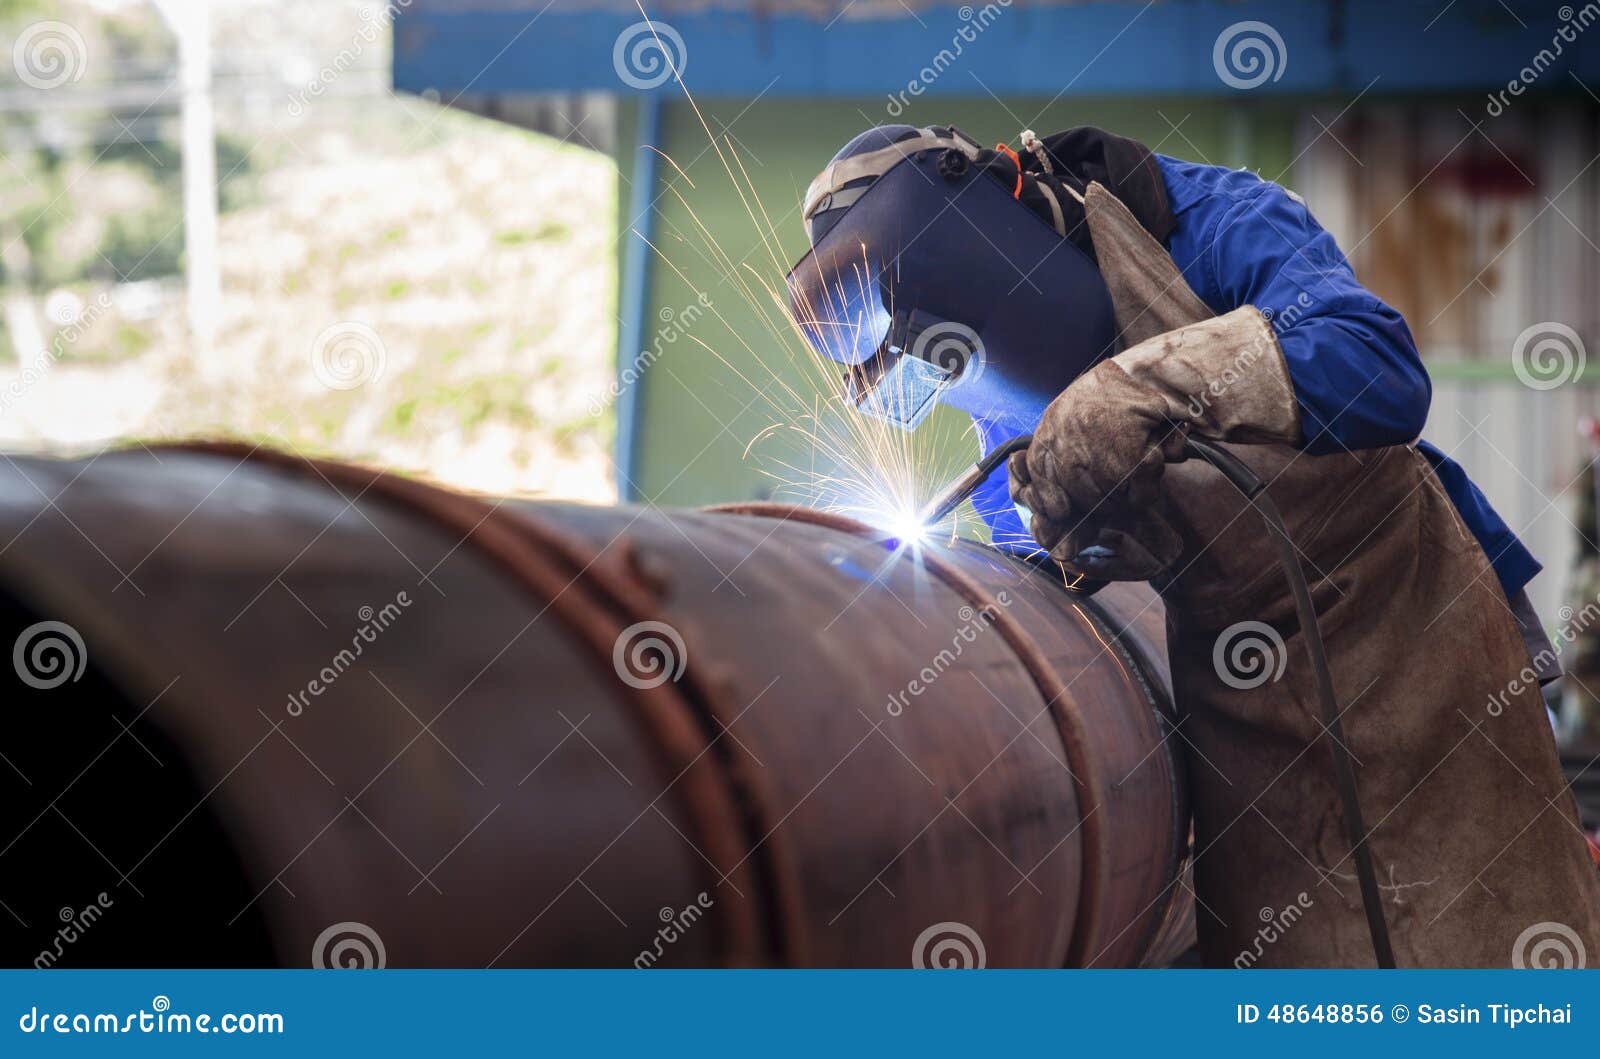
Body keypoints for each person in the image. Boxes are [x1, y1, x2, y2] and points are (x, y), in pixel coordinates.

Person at [788, 123, 1600, 967]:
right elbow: (1047, 574)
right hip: (1245, 710)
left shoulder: (1206, 218)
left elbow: (1378, 366)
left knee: (1492, 936)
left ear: (996, 206)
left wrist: (1155, 383)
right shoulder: (994, 383)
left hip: (1407, 632)